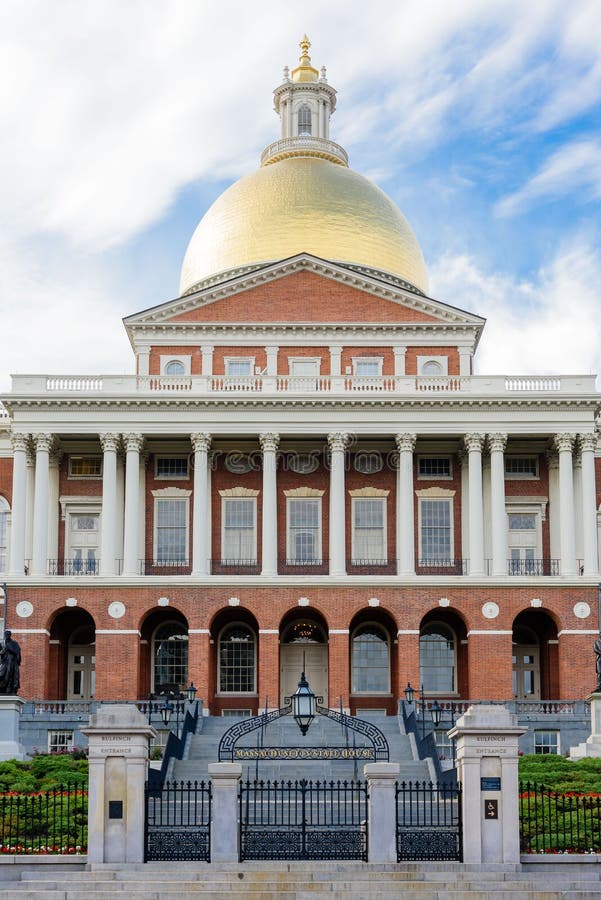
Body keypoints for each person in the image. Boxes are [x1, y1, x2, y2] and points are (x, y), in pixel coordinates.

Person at [0, 630, 21, 695]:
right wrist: (2, 652)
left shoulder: (14, 643)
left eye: (8, 635)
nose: (6, 636)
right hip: (5, 662)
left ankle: (9, 689)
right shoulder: (3, 643)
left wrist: (9, 649)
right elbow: (2, 653)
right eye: (5, 635)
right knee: (2, 674)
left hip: (11, 661)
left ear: (10, 635)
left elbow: (17, 652)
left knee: (10, 674)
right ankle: (3, 688)